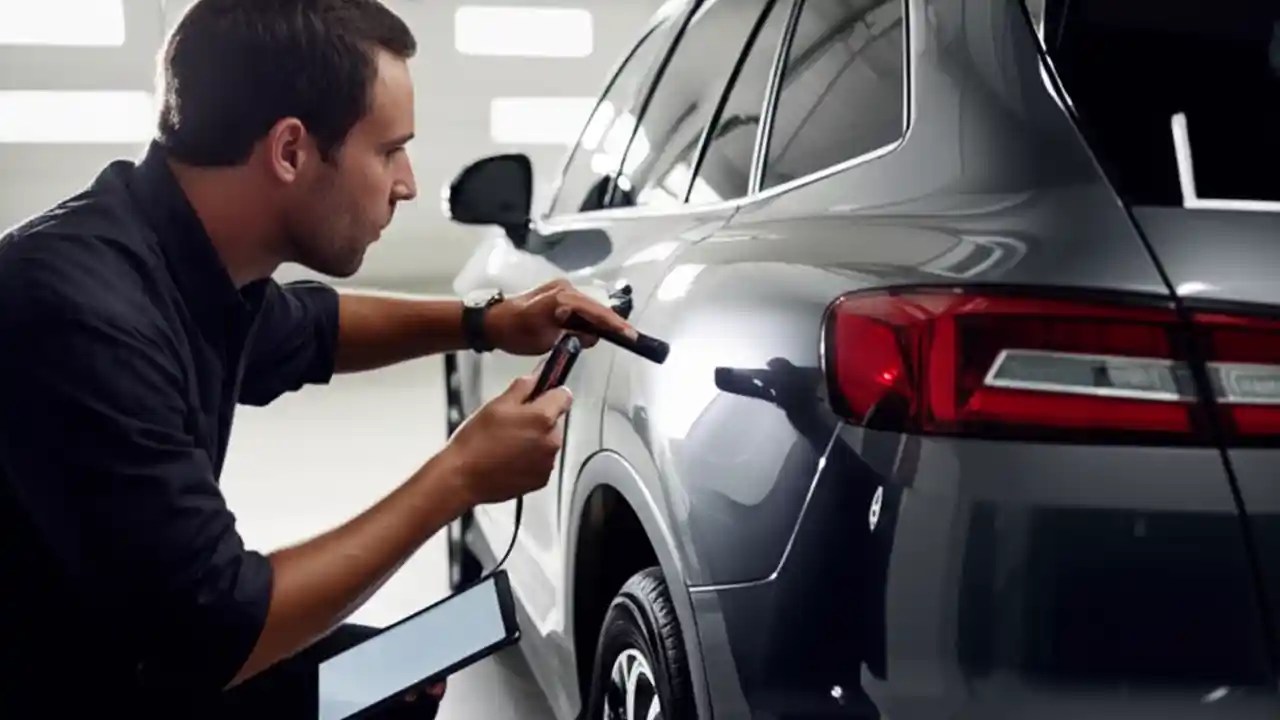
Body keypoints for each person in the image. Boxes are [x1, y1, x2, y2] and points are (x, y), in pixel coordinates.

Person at [0, 0, 634, 717]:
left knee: (391, 676)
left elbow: (310, 328)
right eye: (390, 149)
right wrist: (460, 475)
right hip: (74, 680)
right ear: (291, 151)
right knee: (366, 687)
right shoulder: (79, 315)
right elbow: (213, 629)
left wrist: (488, 321)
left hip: (119, 645)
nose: (408, 183)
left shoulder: (171, 256)